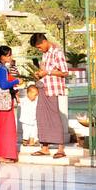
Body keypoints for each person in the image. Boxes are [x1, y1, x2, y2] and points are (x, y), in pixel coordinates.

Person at [29, 32, 70, 160]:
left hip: (52, 89)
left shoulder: (57, 52)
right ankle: (45, 147)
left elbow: (64, 72)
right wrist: (40, 73)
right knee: (41, 117)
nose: (39, 49)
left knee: (54, 117)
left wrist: (48, 72)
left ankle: (60, 148)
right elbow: (44, 70)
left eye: (39, 47)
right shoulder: (45, 54)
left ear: (44, 42)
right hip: (43, 87)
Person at [0, 45, 21, 163]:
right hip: (3, 104)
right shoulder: (1, 68)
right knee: (6, 129)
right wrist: (17, 81)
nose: (11, 57)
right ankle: (3, 154)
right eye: (8, 55)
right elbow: (4, 85)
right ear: (2, 57)